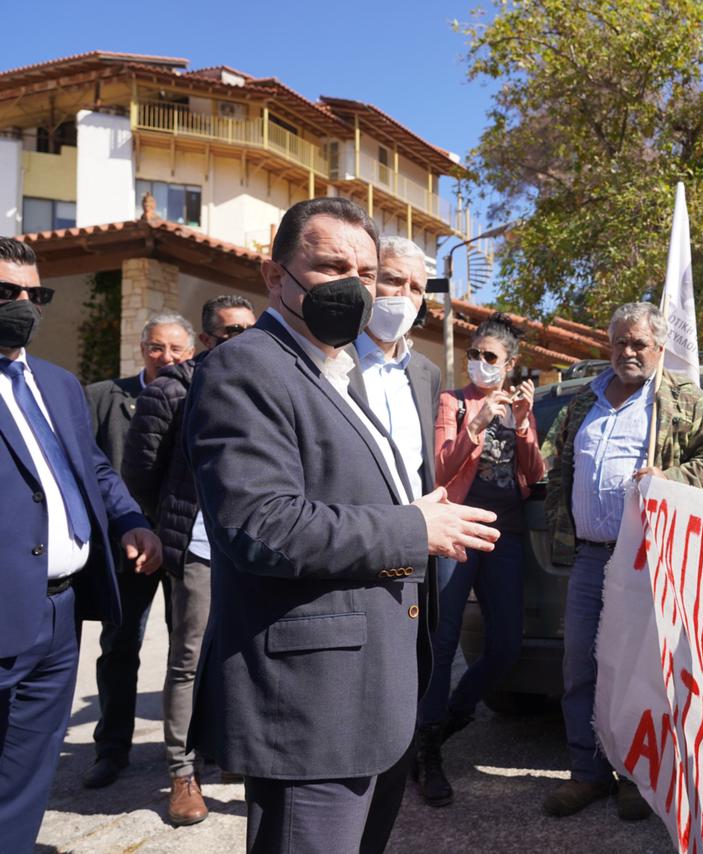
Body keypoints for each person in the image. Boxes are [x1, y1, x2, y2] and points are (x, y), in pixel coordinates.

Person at [184, 197, 500, 854]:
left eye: (362, 269)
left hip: (373, 696)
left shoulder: (339, 370)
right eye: (330, 266)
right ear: (276, 276)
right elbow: (260, 525)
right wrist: (414, 530)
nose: (351, 286)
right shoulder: (245, 367)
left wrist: (420, 523)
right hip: (312, 709)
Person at [1, 237, 162, 853]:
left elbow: (94, 469)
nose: (23, 305)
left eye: (34, 294)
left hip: (61, 613)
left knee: (26, 772)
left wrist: (128, 521)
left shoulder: (58, 384)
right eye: (5, 292)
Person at [542, 301, 703, 821]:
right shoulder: (584, 399)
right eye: (619, 341)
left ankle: (638, 776)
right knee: (581, 668)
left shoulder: (682, 399)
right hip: (589, 560)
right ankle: (588, 773)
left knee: (642, 671)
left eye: (638, 343)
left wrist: (672, 480)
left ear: (659, 348)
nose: (627, 351)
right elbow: (559, 468)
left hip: (651, 561)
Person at [121, 295, 256, 825]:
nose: (239, 339)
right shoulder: (173, 390)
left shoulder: (263, 384)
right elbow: (141, 476)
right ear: (206, 340)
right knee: (190, 658)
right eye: (228, 332)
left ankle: (231, 751)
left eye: (247, 328)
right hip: (199, 547)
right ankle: (181, 772)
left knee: (244, 652)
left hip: (253, 546)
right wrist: (171, 529)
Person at [419, 314, 544, 807]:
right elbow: (441, 467)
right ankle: (428, 747)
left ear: (510, 364)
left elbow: (533, 476)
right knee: (444, 638)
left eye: (490, 357)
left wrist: (524, 424)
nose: (479, 363)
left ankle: (451, 715)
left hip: (504, 533)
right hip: (458, 528)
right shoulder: (453, 401)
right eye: (475, 353)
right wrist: (476, 422)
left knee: (507, 643)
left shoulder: (517, 407)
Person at [346, 235, 443, 796]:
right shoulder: (327, 361)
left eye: (415, 287)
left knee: (403, 688)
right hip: (347, 560)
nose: (402, 297)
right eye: (391, 280)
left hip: (411, 563)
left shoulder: (424, 374)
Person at [82, 312, 195, 790]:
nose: (165, 357)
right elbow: (89, 469)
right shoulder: (103, 397)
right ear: (141, 347)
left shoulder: (199, 395)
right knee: (120, 647)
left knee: (186, 652)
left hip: (182, 547)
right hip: (126, 549)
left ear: (189, 353)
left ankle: (190, 751)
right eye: (156, 347)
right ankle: (111, 750)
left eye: (176, 349)